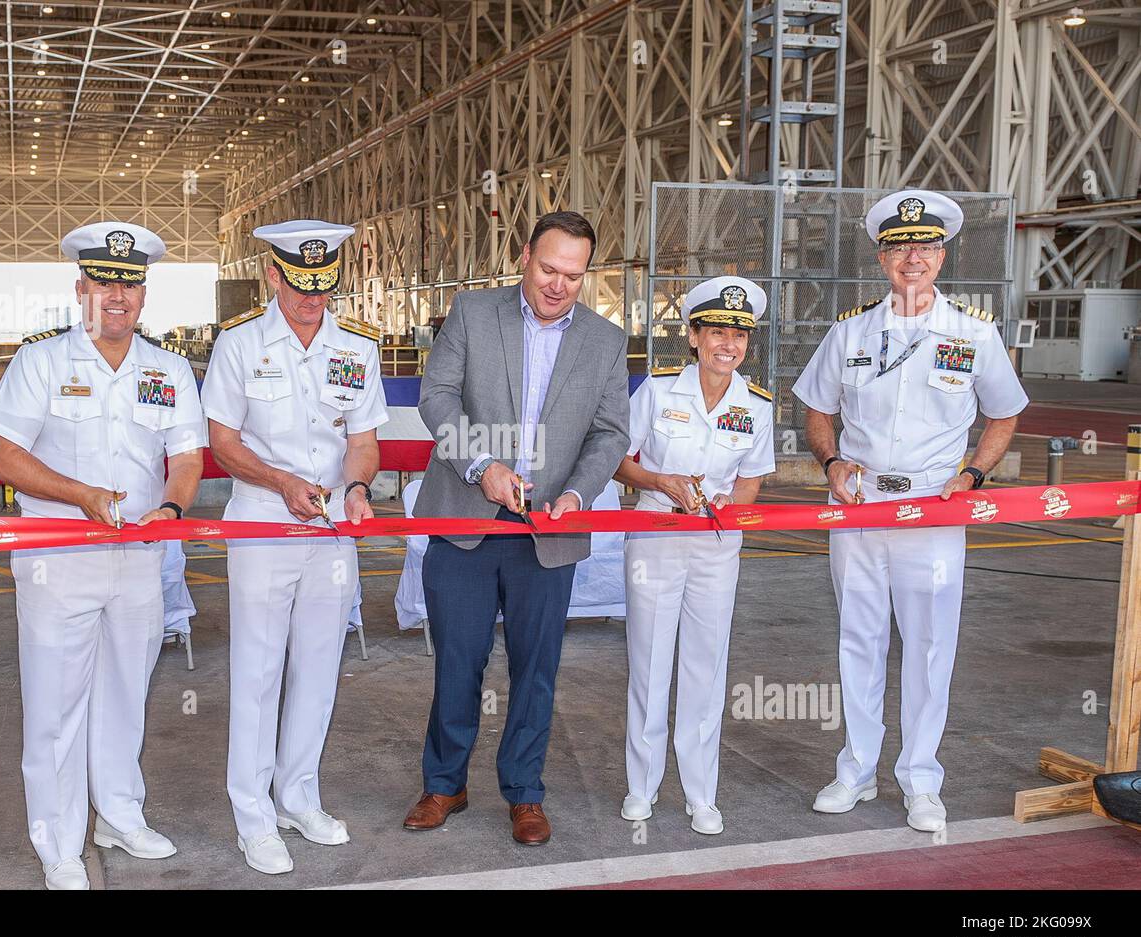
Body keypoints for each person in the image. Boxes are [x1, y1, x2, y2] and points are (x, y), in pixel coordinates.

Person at [792, 190, 1028, 832]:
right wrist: (832, 462)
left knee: (929, 646)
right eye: (900, 247)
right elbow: (817, 405)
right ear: (882, 257)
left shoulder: (973, 333)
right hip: (861, 503)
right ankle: (856, 771)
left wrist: (974, 473)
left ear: (943, 255)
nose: (912, 258)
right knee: (858, 640)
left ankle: (922, 779)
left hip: (933, 506)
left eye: (924, 246)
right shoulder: (851, 330)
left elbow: (1005, 413)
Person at [0, 221, 205, 889]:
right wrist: (78, 494)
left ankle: (119, 815)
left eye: (130, 283)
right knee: (54, 705)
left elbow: (188, 455)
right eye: (106, 281)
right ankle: (57, 842)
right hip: (58, 558)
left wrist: (172, 507)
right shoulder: (41, 362)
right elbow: (5, 456)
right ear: (81, 287)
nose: (118, 294)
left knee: (125, 694)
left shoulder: (166, 368)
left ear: (143, 295)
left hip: (139, 556)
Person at [402, 211, 630, 845]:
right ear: (524, 256)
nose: (559, 285)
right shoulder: (474, 315)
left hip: (549, 530)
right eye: (549, 269)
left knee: (536, 667)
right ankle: (444, 783)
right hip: (466, 519)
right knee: (458, 659)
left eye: (574, 276)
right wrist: (482, 464)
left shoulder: (606, 343)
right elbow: (436, 397)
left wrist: (580, 493)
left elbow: (611, 433)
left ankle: (525, 792)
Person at [202, 219, 388, 876]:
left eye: (324, 287)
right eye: (301, 286)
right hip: (261, 521)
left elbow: (363, 440)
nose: (313, 300)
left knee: (317, 666)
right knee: (257, 672)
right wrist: (280, 481)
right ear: (273, 275)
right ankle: (252, 814)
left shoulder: (356, 347)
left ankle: (299, 795)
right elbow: (223, 443)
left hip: (333, 527)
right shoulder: (239, 344)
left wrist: (359, 487)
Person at [616, 277, 775, 835]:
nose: (727, 343)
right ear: (693, 336)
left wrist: (731, 501)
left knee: (706, 667)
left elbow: (753, 479)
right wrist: (661, 479)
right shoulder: (658, 390)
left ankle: (701, 792)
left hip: (715, 544)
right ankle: (642, 786)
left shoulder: (755, 405)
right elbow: (619, 460)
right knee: (649, 662)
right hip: (655, 533)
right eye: (715, 331)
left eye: (738, 334)